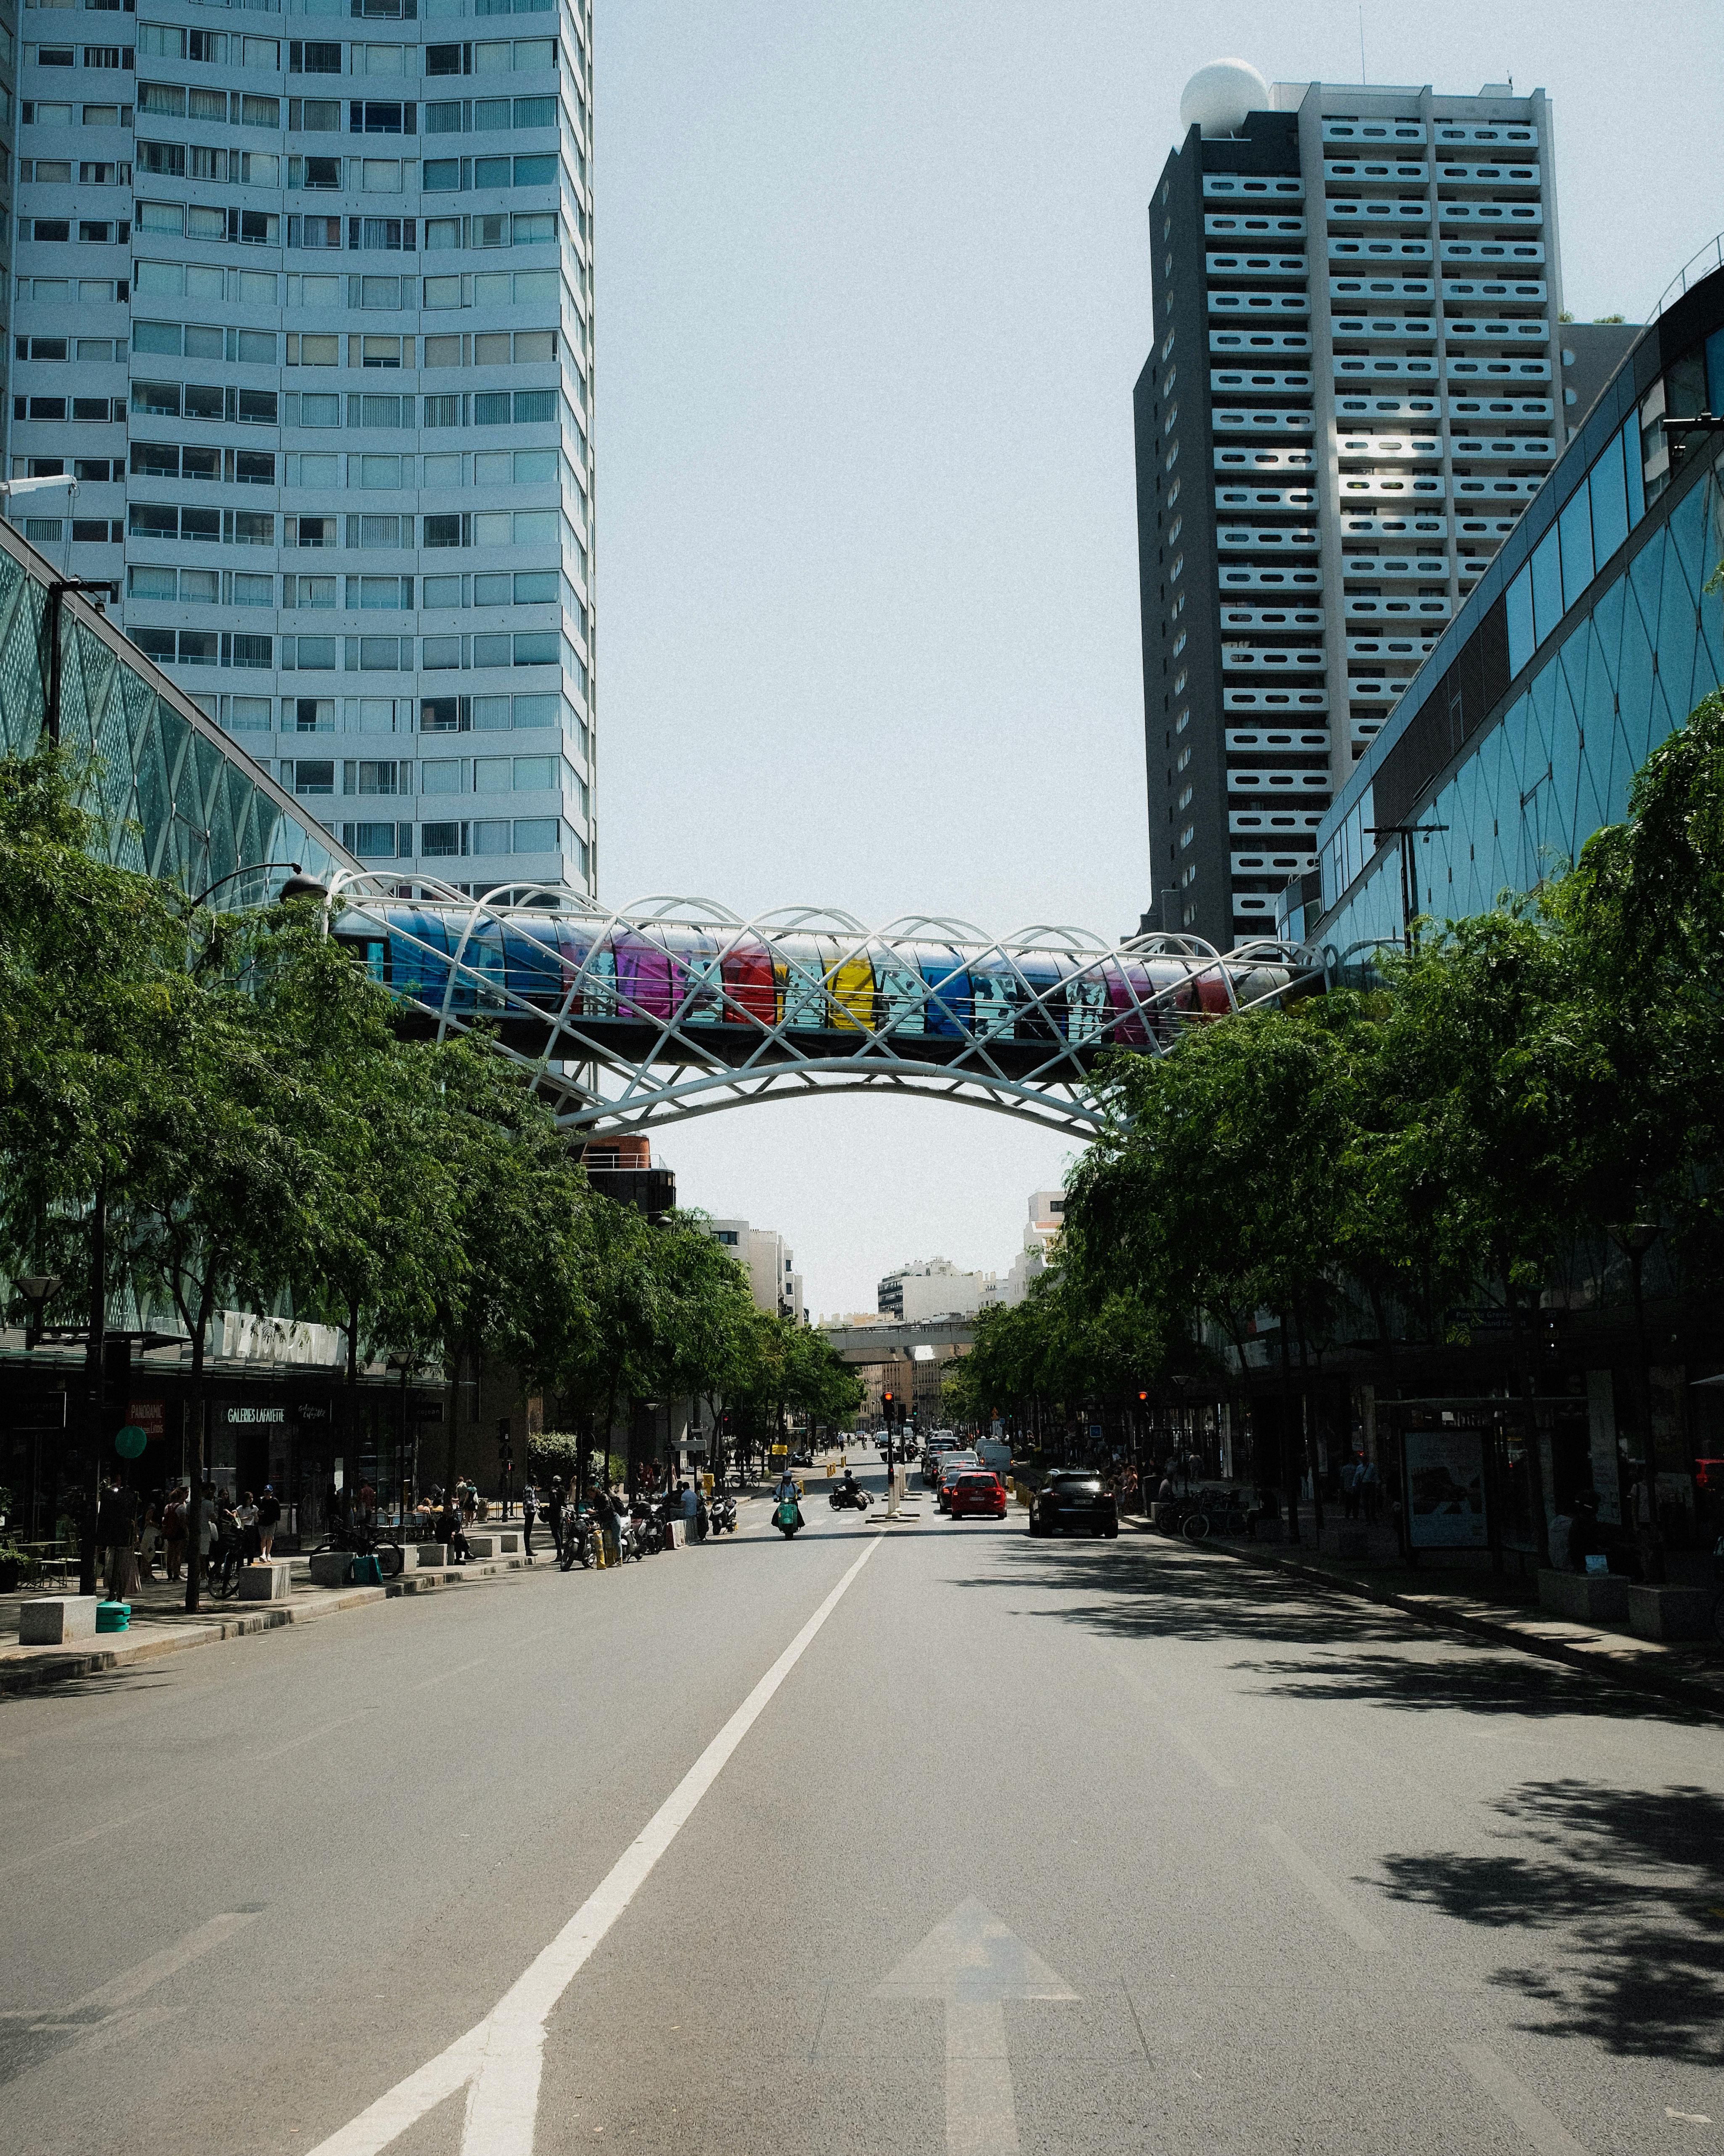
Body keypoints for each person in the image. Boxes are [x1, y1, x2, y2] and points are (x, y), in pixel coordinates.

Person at [162, 1488, 188, 1581]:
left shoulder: (167, 1507)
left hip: (170, 1532)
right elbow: (183, 1522)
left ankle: (169, 1573)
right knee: (178, 1553)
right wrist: (186, 1531)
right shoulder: (181, 1508)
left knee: (170, 1553)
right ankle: (176, 1573)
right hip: (179, 1532)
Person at [138, 1494, 162, 1581]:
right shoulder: (152, 1508)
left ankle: (145, 1574)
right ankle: (148, 1574)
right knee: (149, 1555)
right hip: (149, 1534)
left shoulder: (149, 1507)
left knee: (146, 1555)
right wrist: (158, 1526)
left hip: (149, 1534)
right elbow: (148, 1521)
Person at [257, 1485, 281, 1559]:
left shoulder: (275, 1501)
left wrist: (276, 1519)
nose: (267, 1493)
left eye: (269, 1492)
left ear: (271, 1493)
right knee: (263, 1538)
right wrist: (259, 1513)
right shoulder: (260, 1500)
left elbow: (278, 1511)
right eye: (266, 1492)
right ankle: (263, 1553)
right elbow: (256, 1510)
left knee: (269, 1538)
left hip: (271, 1522)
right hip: (262, 1522)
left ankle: (268, 1553)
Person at [236, 1490, 261, 1563]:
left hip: (252, 1528)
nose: (251, 1500)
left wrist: (256, 1515)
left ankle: (250, 1563)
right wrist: (247, 1518)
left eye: (252, 1498)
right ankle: (240, 1565)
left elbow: (257, 1521)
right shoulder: (240, 1508)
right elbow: (238, 1520)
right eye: (249, 1498)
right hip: (243, 1528)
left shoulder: (254, 1508)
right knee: (242, 1548)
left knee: (251, 1548)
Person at [546, 1476, 566, 1560]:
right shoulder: (558, 1490)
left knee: (556, 1533)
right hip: (555, 1513)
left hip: (556, 1513)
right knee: (557, 1533)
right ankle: (560, 1553)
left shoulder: (559, 1490)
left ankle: (560, 1553)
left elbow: (561, 1501)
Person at [521, 1481, 538, 1560]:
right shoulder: (529, 1489)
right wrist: (535, 1505)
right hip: (529, 1512)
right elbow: (528, 1502)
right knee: (527, 1531)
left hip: (530, 1512)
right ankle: (528, 1550)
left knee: (528, 1531)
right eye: (534, 1479)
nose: (536, 1481)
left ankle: (528, 1549)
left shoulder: (531, 1488)